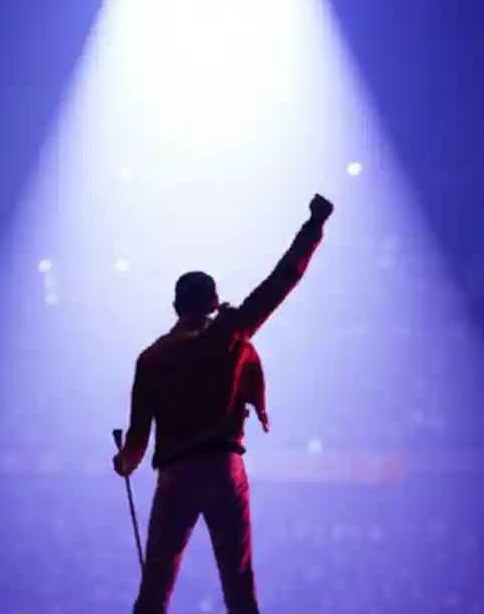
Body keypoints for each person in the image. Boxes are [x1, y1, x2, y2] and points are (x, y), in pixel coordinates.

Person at [113, 193, 334, 614]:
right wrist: (313, 226)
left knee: (157, 580)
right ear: (213, 302)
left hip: (176, 474)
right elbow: (281, 281)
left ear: (177, 306)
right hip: (222, 467)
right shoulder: (229, 334)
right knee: (238, 578)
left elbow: (137, 441)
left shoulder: (151, 359)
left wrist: (123, 461)